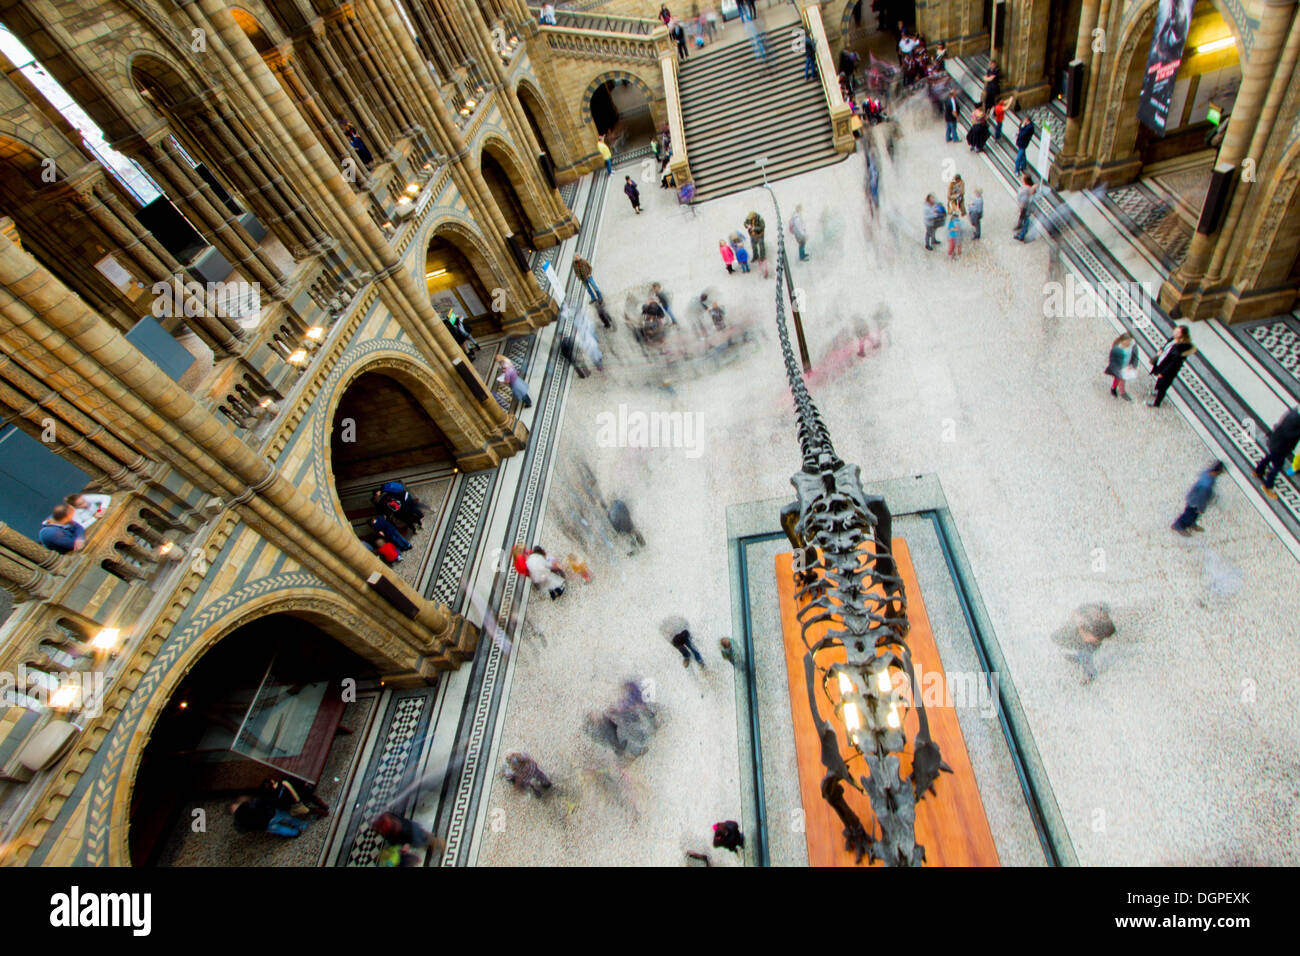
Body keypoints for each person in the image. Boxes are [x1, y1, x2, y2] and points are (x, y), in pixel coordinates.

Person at [1254, 406, 1300, 498]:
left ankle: (1258, 471)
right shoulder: (1296, 422)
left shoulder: (1294, 413)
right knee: (1277, 467)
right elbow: (1292, 434)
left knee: (1270, 456)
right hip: (1281, 446)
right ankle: (1267, 486)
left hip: (1274, 440)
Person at [1173, 461, 1226, 535]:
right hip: (1195, 500)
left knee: (1193, 514)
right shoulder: (1208, 483)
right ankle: (1178, 525)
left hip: (1193, 496)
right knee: (1189, 513)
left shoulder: (1207, 474)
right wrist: (1201, 508)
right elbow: (1201, 496)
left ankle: (1191, 524)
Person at [1147, 325, 1195, 407]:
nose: (1174, 333)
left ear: (1182, 335)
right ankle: (1156, 390)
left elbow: (1173, 364)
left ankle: (1157, 403)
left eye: (1177, 332)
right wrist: (1161, 350)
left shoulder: (1179, 350)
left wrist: (1163, 373)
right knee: (1159, 381)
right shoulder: (1173, 339)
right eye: (1175, 330)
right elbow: (1166, 345)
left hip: (1168, 371)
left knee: (1163, 386)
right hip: (1163, 362)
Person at [371, 811, 443, 866]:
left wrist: (403, 846)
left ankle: (439, 843)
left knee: (425, 839)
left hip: (413, 835)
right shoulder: (388, 818)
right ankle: (432, 843)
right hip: (411, 829)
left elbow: (399, 838)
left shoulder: (394, 829)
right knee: (424, 837)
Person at [1104, 332, 1139, 400]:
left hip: (1126, 366)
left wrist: (1133, 366)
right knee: (1118, 378)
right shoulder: (1118, 345)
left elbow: (1135, 357)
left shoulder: (1134, 346)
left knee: (1121, 378)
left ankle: (1119, 390)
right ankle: (1116, 389)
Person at [1013, 174, 1037, 242]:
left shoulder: (1027, 189)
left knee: (1026, 221)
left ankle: (1021, 235)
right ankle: (1021, 231)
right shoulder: (1027, 188)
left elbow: (1024, 200)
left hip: (1026, 208)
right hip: (1026, 207)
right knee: (1024, 219)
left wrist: (1021, 207)